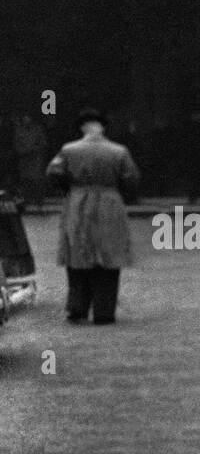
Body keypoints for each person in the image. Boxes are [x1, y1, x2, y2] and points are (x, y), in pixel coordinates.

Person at [45, 109, 140, 324]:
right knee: (109, 256)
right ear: (103, 127)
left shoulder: (68, 150)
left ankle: (77, 308)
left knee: (77, 253)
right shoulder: (119, 151)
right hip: (109, 201)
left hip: (78, 201)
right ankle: (104, 312)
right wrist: (117, 192)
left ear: (82, 128)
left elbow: (53, 172)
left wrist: (70, 188)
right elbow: (131, 178)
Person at [15, 114, 49, 210]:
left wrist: (34, 150)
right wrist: (23, 151)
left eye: (28, 117)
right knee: (26, 180)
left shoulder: (38, 129)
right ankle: (27, 200)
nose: (26, 119)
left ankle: (39, 201)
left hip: (36, 158)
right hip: (24, 159)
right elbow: (16, 144)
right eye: (24, 117)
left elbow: (44, 143)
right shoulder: (19, 130)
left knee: (37, 180)